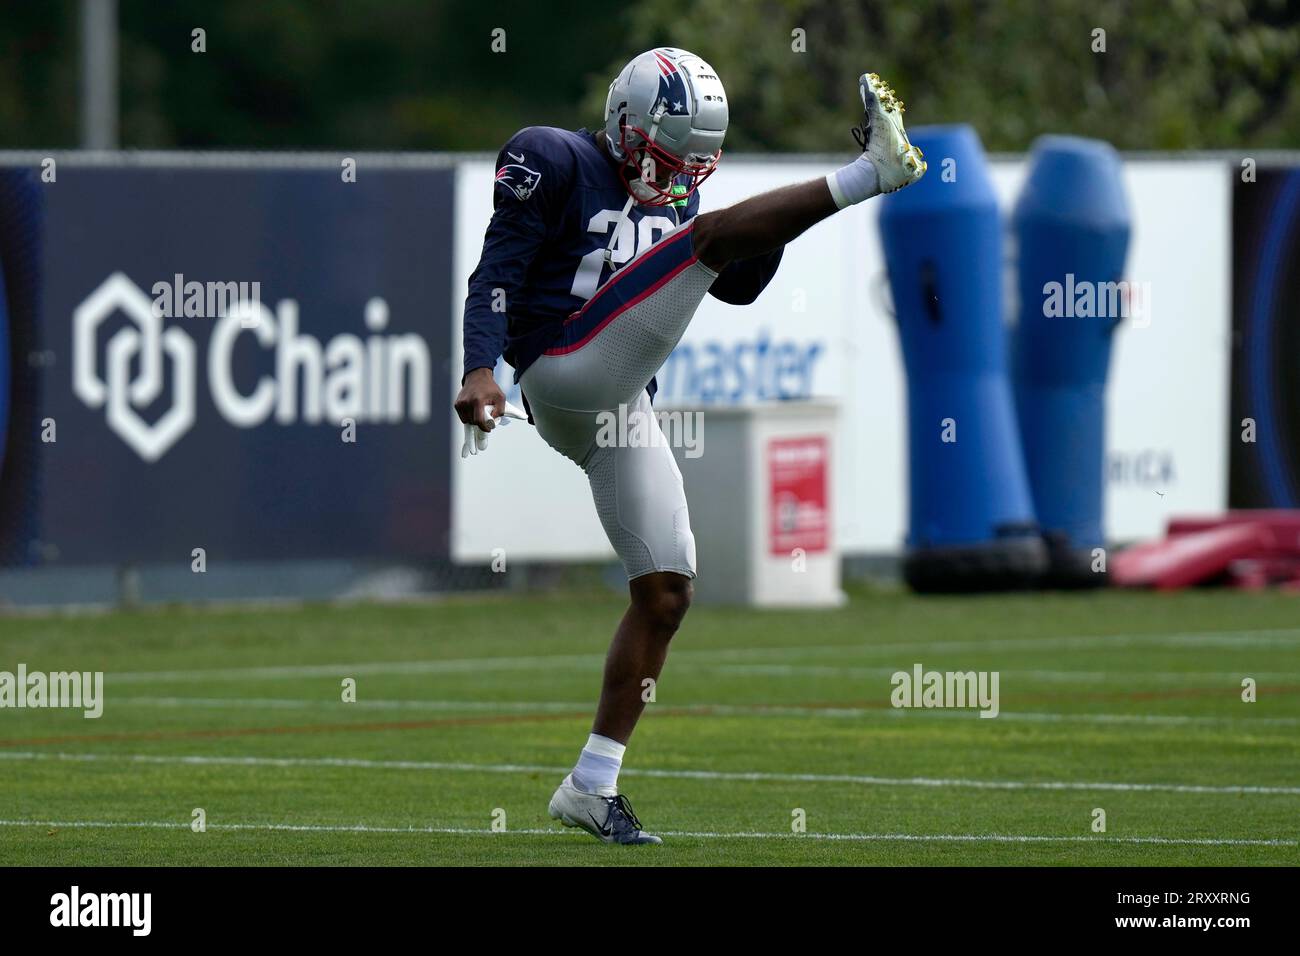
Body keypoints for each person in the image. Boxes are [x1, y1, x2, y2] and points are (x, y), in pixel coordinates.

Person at [455, 47, 925, 844]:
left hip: (621, 405)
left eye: (690, 167)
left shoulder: (679, 204)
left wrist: (775, 221)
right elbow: (496, 272)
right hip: (561, 368)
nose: (671, 181)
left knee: (667, 591)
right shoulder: (553, 158)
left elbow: (737, 279)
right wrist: (479, 367)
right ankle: (869, 176)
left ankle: (590, 786)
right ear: (624, 124)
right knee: (708, 236)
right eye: (663, 160)